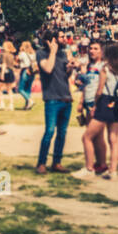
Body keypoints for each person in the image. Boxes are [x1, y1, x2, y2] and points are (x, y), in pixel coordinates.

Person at [77, 42, 118, 179]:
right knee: (113, 138)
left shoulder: (105, 68)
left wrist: (95, 105)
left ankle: (89, 168)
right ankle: (113, 170)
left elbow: (100, 90)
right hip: (117, 104)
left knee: (87, 137)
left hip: (105, 102)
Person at [36, 28, 74, 175]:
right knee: (50, 131)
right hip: (52, 99)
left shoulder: (63, 54)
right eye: (62, 37)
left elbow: (65, 75)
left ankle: (57, 162)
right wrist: (52, 51)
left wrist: (70, 68)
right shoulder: (41, 53)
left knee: (62, 133)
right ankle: (41, 163)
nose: (65, 39)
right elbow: (48, 69)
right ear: (51, 40)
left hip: (66, 97)